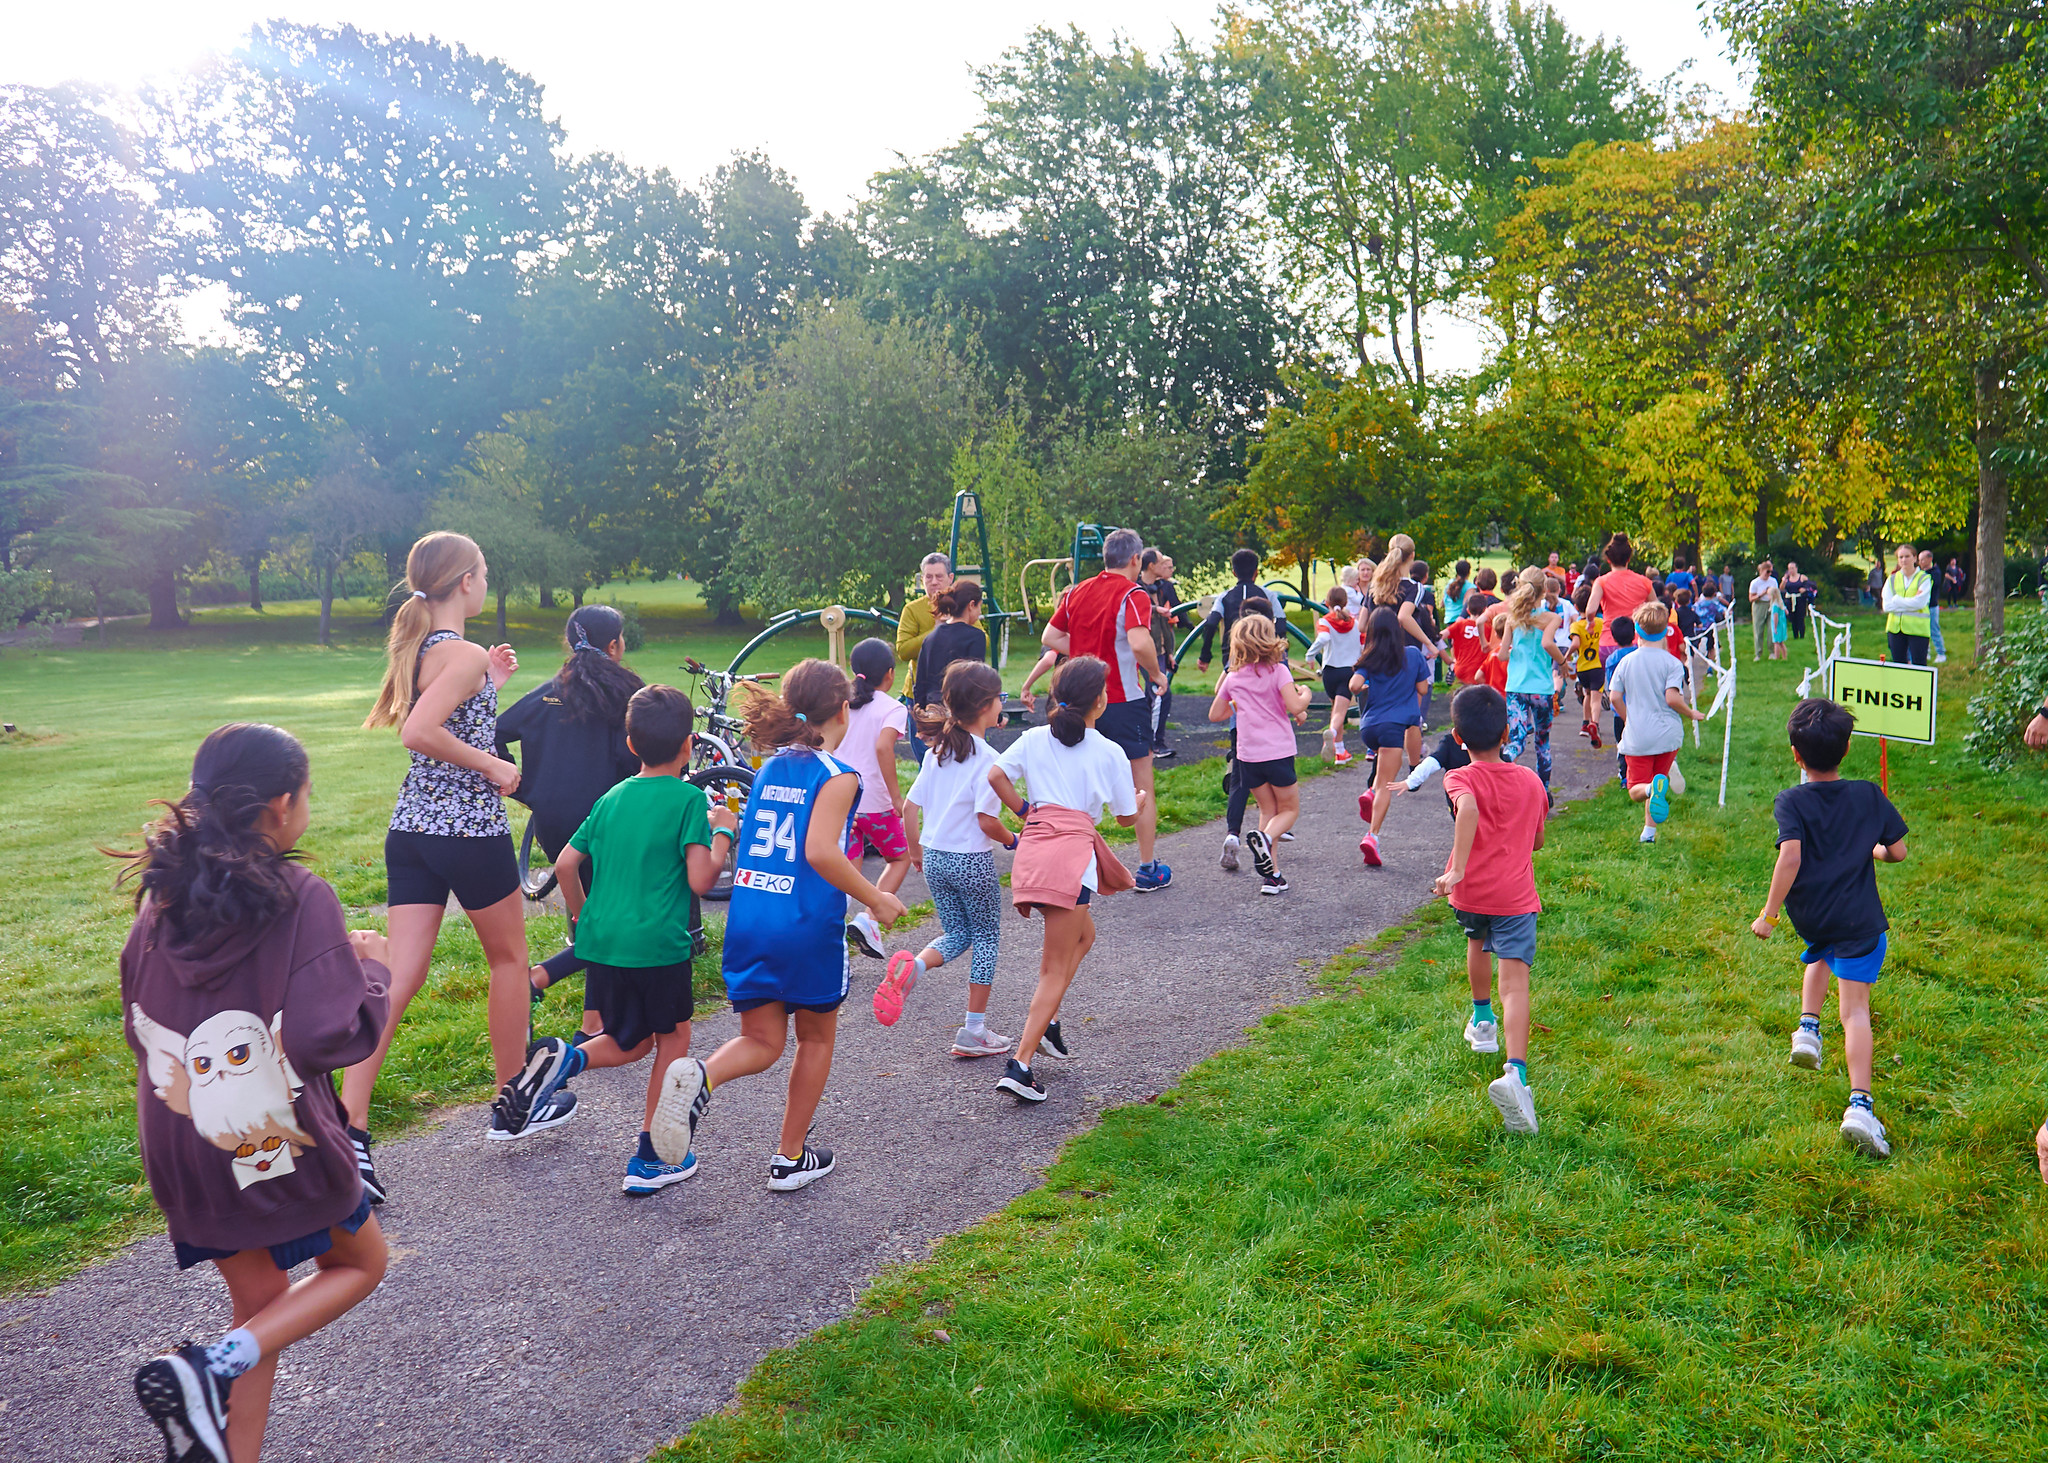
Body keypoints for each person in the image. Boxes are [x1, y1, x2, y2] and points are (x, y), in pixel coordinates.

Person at [120, 724, 391, 1463]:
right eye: (306, 794)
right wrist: (373, 970)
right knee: (360, 1263)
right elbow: (324, 1036)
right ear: (280, 805)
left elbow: (137, 1019)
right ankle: (208, 1366)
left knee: (262, 1310)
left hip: (181, 1136)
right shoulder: (302, 896)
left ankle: (220, 1431)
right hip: (270, 1136)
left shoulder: (160, 900)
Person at [658, 660, 908, 1191]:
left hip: (751, 917)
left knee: (762, 1039)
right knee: (814, 1040)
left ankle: (702, 1075)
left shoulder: (771, 767)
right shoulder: (838, 775)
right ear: (843, 709)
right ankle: (790, 1156)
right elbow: (819, 851)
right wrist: (876, 898)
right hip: (804, 924)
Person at [352, 532, 544, 1190]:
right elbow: (418, 731)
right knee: (510, 960)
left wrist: (491, 683)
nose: (486, 582)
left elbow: (446, 716)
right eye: (483, 572)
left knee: (400, 976)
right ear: (465, 581)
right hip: (467, 831)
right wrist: (494, 764)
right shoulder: (458, 654)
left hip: (412, 830)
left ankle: (349, 1130)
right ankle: (514, 1101)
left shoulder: (428, 649)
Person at [535, 686, 735, 1193]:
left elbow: (565, 864)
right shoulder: (688, 800)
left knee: (633, 1039)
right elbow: (701, 881)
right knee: (674, 1039)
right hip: (658, 946)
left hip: (605, 945)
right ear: (689, 745)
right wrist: (723, 834)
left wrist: (582, 917)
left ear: (630, 744)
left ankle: (568, 1059)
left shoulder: (611, 797)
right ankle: (651, 1157)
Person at [1751, 697, 1909, 1159]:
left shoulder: (1791, 800)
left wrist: (1769, 915)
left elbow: (1790, 857)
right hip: (1859, 920)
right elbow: (1898, 852)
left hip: (1814, 915)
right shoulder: (1868, 794)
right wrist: (1876, 850)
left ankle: (1807, 1028)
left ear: (1795, 755)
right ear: (1847, 748)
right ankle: (1860, 1106)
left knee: (1819, 951)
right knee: (1855, 1011)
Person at [988, 656, 1141, 1102]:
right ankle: (1020, 1064)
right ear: (1100, 702)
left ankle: (1048, 1023)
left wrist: (1025, 811)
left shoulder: (1034, 738)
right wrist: (1141, 801)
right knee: (1052, 970)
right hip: (1072, 862)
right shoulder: (1109, 751)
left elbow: (996, 775)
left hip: (1035, 853)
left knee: (1084, 937)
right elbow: (1126, 818)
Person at [496, 604, 645, 1034]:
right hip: (610, 822)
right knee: (612, 919)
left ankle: (592, 1023)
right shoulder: (627, 694)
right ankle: (538, 979)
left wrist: (521, 786)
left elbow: (495, 733)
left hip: (555, 826)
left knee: (596, 913)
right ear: (614, 645)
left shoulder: (548, 694)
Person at [1430, 686, 1548, 1135]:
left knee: (1476, 941)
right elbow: (1537, 841)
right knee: (1515, 985)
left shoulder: (1457, 777)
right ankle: (1516, 1074)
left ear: (1458, 737)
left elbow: (1468, 807)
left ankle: (1482, 1021)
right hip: (1515, 897)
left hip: (1471, 893)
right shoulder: (1531, 781)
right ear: (1506, 733)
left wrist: (1459, 869)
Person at [885, 660, 1013, 1056]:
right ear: (986, 706)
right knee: (987, 937)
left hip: (936, 858)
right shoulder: (989, 759)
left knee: (958, 932)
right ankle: (974, 1030)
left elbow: (909, 808)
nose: (1001, 704)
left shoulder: (937, 751)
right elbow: (987, 821)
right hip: (970, 860)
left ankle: (916, 967)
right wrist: (1014, 840)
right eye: (999, 698)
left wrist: (915, 851)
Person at [1040, 526, 1171, 891]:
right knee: (1140, 782)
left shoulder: (1077, 591)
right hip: (1122, 699)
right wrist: (1156, 674)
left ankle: (1072, 866)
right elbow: (1139, 642)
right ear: (1135, 560)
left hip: (1081, 701)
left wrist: (1083, 652)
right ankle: (1147, 868)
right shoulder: (1133, 593)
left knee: (1077, 784)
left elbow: (1050, 637)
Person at [1209, 614, 1312, 895]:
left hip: (1248, 756)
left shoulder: (1233, 677)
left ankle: (1272, 877)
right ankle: (1264, 839)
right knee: (1289, 810)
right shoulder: (1279, 671)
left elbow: (1215, 713)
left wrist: (1240, 703)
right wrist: (1306, 694)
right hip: (1277, 751)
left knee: (1268, 810)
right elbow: (1295, 705)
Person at [837, 639, 915, 959]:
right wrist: (896, 798)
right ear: (890, 674)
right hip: (875, 803)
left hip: (842, 800)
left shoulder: (842, 702)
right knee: (900, 858)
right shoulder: (893, 708)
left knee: (846, 874)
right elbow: (884, 747)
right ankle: (869, 918)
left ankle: (834, 941)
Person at [1610, 603, 1708, 844]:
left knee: (1637, 789)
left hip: (1639, 736)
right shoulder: (1672, 663)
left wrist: (1628, 719)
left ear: (1636, 630)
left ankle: (1651, 793)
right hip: (1668, 736)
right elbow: (1673, 698)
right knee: (1657, 780)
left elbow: (1614, 697)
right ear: (1665, 631)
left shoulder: (1626, 662)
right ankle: (1649, 834)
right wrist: (1690, 713)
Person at [1351, 606, 1433, 867]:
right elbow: (1423, 688)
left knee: (1382, 771)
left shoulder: (1370, 658)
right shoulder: (1412, 655)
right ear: (1398, 629)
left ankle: (1370, 792)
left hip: (1370, 728)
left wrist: (1366, 684)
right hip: (1394, 726)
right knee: (1387, 783)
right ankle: (1372, 836)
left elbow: (1354, 685)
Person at [1494, 574, 1567, 800]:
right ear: (1544, 590)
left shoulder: (1512, 618)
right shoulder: (1551, 618)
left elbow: (1502, 655)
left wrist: (1518, 654)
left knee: (1516, 738)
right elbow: (1547, 643)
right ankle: (1543, 792)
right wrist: (1563, 663)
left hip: (1516, 687)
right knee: (1542, 741)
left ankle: (1505, 774)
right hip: (1541, 688)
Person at [895, 552, 955, 761]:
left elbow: (982, 641)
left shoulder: (960, 604)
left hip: (955, 689)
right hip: (920, 691)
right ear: (922, 580)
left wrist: (956, 626)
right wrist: (936, 631)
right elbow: (903, 650)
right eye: (928, 577)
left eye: (939, 576)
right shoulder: (912, 610)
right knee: (927, 755)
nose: (934, 582)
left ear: (950, 578)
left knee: (959, 753)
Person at [913, 582, 989, 718]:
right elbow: (976, 681)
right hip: (961, 711)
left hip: (933, 711)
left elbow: (920, 682)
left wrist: (922, 715)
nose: (980, 613)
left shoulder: (931, 637)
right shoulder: (975, 637)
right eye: (980, 607)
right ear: (971, 605)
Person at [1307, 584, 1363, 763]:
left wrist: (1310, 655)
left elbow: (1324, 638)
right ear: (1346, 602)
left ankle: (1340, 750)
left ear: (1327, 602)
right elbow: (1363, 646)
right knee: (1339, 713)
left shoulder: (1325, 621)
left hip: (1330, 671)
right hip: (1348, 672)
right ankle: (1331, 734)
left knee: (1335, 710)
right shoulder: (1355, 623)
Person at [1195, 546, 1267, 672]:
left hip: (1233, 654)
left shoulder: (1224, 597)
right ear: (1256, 572)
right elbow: (1280, 623)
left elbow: (1211, 623)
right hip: (1262, 652)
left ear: (1234, 573)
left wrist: (1205, 656)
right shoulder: (1268, 595)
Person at [1585, 533, 1654, 658]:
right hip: (1638, 641)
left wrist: (1590, 622)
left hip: (1609, 642)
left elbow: (1590, 610)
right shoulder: (1644, 582)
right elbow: (1657, 610)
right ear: (1628, 559)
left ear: (1608, 559)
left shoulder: (1601, 582)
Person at [1139, 549, 1180, 757]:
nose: (1165, 565)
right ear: (1151, 566)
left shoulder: (1161, 588)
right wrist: (1156, 610)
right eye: (1161, 562)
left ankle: (1149, 739)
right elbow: (1140, 608)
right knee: (1160, 694)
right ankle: (1155, 744)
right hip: (1147, 650)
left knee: (1154, 695)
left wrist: (1169, 651)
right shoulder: (1136, 588)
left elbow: (1165, 625)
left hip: (1161, 650)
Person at [1881, 542, 1933, 666]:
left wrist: (1897, 600)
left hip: (1918, 629)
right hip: (1895, 629)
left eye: (1907, 556)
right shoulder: (1892, 579)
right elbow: (1886, 606)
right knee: (1898, 665)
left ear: (1915, 558)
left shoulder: (1924, 578)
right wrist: (1910, 603)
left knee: (1919, 665)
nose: (1904, 560)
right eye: (1901, 557)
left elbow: (1920, 603)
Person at [1569, 582, 1605, 747]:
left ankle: (1584, 723)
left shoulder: (1576, 625)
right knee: (1596, 697)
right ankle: (1594, 723)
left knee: (1587, 694)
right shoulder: (1600, 623)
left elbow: (1576, 644)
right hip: (1597, 665)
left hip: (1582, 667)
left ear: (1576, 606)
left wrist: (1566, 657)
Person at [1744, 558, 1778, 662]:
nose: (1769, 574)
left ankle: (1772, 652)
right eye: (1767, 571)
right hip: (1759, 604)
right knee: (1758, 630)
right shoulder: (1755, 583)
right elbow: (1751, 598)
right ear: (1761, 571)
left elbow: (1777, 594)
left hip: (1771, 604)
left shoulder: (1773, 581)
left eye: (1770, 572)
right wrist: (1761, 594)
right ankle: (1758, 653)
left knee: (1771, 629)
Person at [1917, 549, 1947, 664]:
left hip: (1932, 606)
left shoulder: (1935, 573)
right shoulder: (1920, 573)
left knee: (1934, 629)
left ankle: (1941, 653)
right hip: (1922, 606)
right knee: (1922, 630)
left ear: (1930, 559)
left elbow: (1930, 586)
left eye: (1922, 560)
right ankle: (1926, 651)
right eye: (1919, 560)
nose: (1920, 562)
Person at [1781, 562, 1817, 641]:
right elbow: (1781, 588)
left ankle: (1802, 635)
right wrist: (1784, 580)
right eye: (1789, 568)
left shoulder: (1802, 577)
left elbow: (1812, 586)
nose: (1791, 570)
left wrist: (1805, 589)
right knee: (1792, 618)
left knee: (1800, 617)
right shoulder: (1786, 579)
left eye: (1792, 568)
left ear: (1796, 568)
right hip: (1790, 599)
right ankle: (1795, 635)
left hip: (1800, 599)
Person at [1769, 583, 1790, 660]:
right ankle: (1784, 657)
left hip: (1777, 626)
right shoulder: (1781, 604)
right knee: (1781, 642)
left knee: (1776, 642)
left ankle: (1776, 657)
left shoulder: (1775, 605)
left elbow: (1775, 617)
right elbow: (1787, 612)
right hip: (1782, 625)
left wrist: (1775, 627)